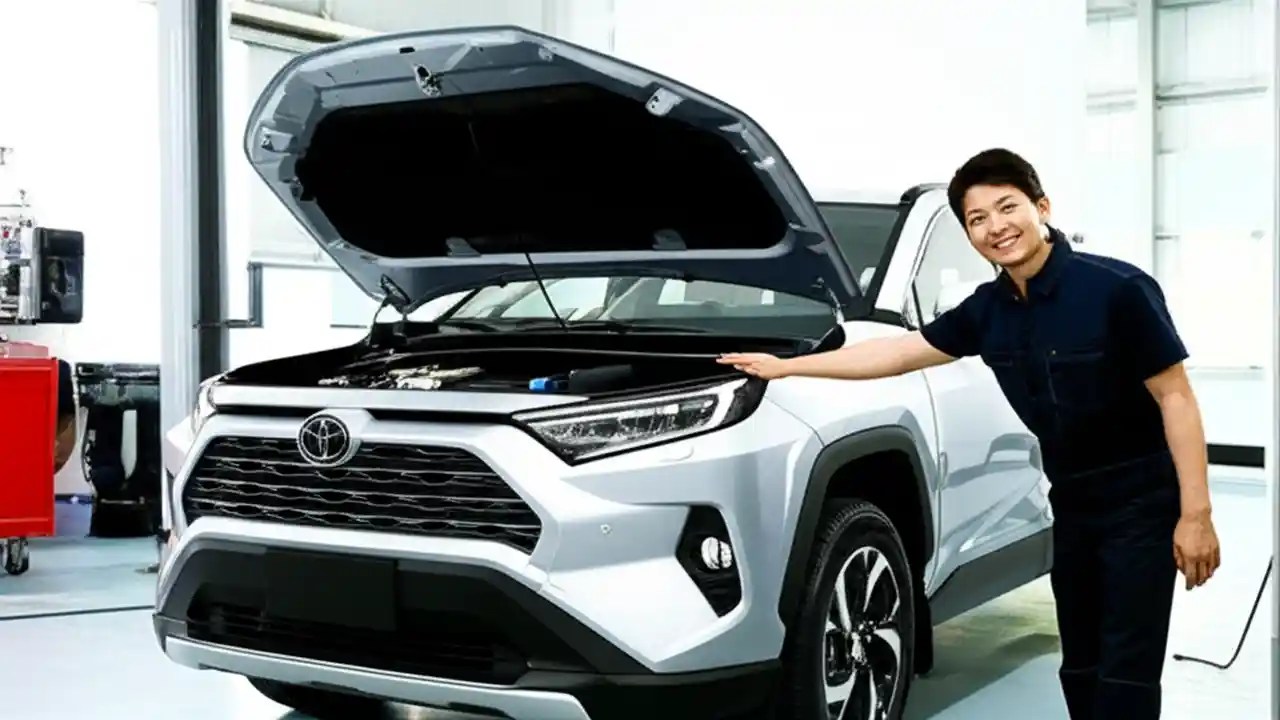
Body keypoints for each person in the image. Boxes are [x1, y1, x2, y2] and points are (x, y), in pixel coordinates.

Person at [718, 148, 1220, 719]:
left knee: (1126, 669)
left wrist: (1195, 514)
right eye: (978, 219)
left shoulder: (1118, 289)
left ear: (1041, 208)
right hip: (1072, 501)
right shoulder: (988, 310)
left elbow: (1176, 398)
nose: (995, 227)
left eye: (1007, 208)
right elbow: (896, 353)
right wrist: (786, 367)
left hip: (1141, 501)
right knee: (1080, 664)